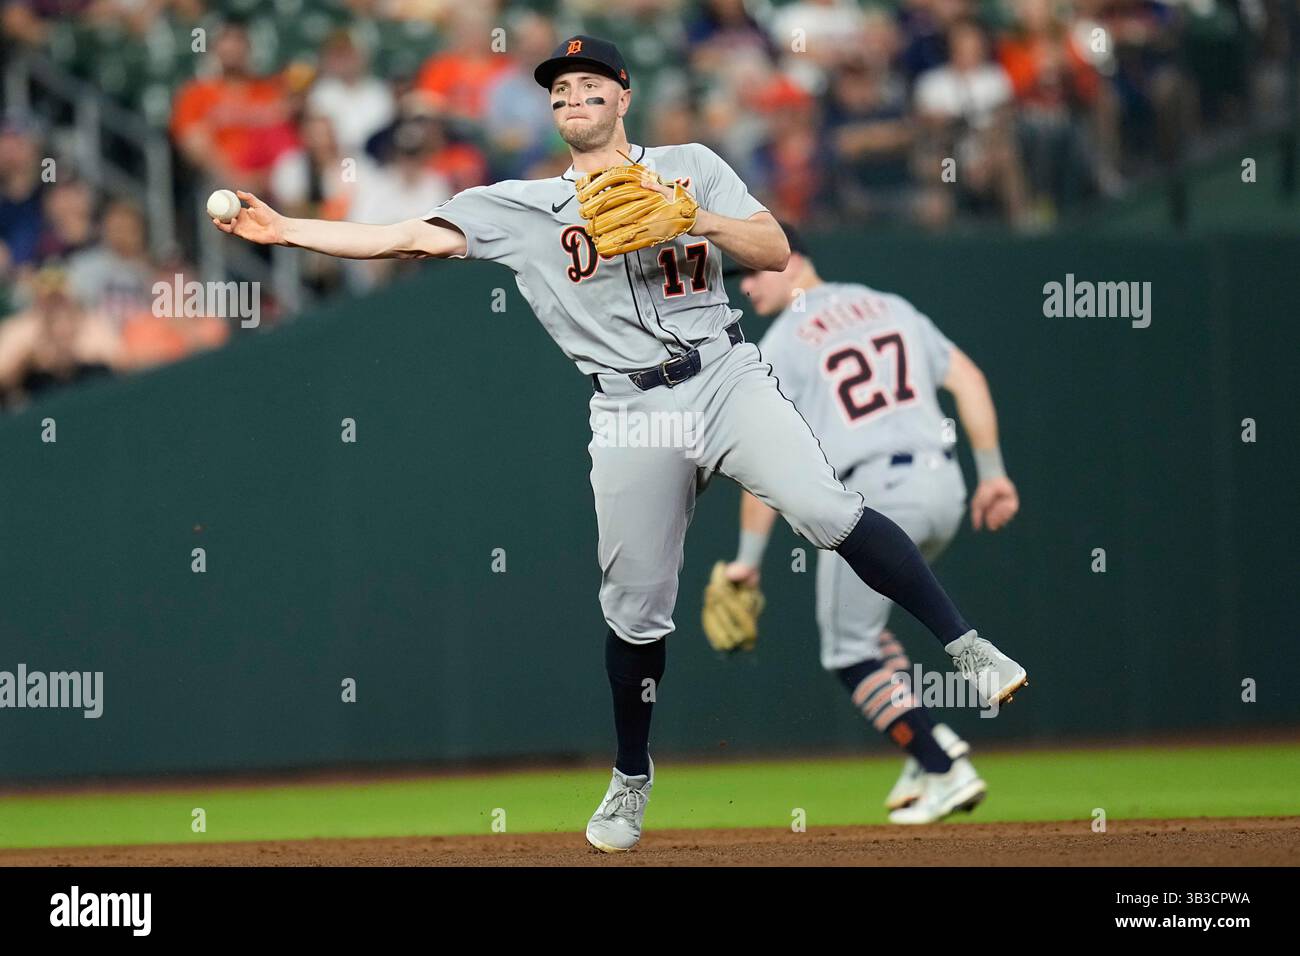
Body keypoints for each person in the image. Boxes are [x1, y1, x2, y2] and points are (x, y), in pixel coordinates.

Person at [212, 35, 1027, 852]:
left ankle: (965, 646)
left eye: (589, 85)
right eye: (560, 90)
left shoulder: (694, 165)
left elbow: (775, 249)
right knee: (637, 611)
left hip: (723, 372)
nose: (573, 98)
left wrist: (694, 216)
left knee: (825, 505)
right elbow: (403, 237)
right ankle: (631, 778)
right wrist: (287, 231)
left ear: (623, 97)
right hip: (630, 407)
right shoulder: (520, 206)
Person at [719, 223, 1021, 823]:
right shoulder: (891, 306)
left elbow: (768, 466)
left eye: (752, 270)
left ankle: (942, 767)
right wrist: (993, 474)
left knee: (847, 651)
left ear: (792, 258)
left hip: (875, 495)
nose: (746, 287)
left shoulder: (780, 343)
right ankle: (929, 740)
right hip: (944, 490)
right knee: (872, 622)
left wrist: (747, 561)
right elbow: (969, 379)